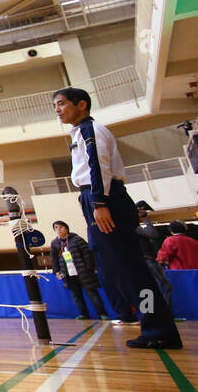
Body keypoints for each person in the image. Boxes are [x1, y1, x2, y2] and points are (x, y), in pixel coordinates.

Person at [54, 87, 181, 349]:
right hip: (92, 196)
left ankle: (159, 329)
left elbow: (98, 165)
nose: (58, 109)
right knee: (112, 268)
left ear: (82, 105)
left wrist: (99, 202)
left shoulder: (91, 130)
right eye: (55, 105)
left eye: (62, 103)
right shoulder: (78, 132)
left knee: (131, 269)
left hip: (105, 198)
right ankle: (148, 323)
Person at [48, 221, 110, 321]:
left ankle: (102, 314)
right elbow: (54, 259)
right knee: (76, 296)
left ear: (66, 228)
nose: (58, 229)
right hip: (68, 274)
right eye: (56, 228)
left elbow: (87, 254)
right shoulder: (55, 243)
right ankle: (83, 314)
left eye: (61, 227)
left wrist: (89, 267)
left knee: (92, 294)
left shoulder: (77, 239)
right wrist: (57, 271)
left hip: (83, 272)